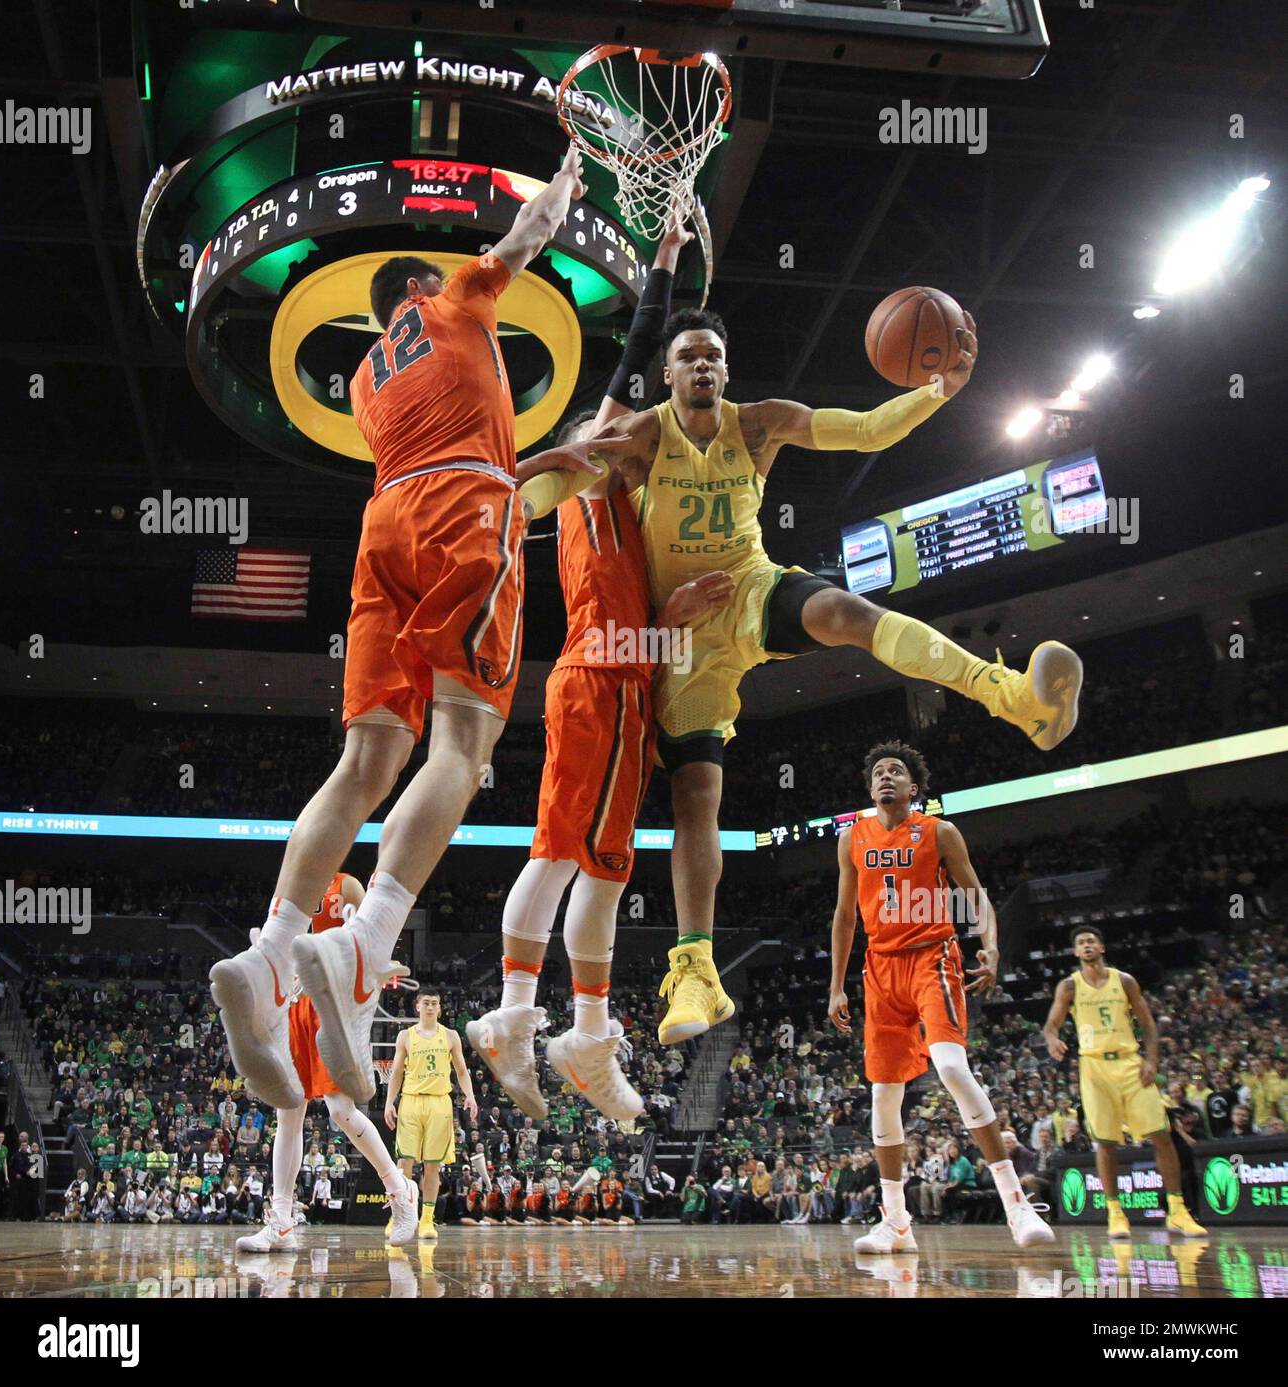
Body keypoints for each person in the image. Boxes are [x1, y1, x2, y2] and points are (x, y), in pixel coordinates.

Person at [207, 142, 613, 1111]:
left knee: (362, 764)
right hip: (463, 515)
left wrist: (545, 454)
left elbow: (446, 435)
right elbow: (527, 235)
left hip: (381, 525)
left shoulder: (360, 378)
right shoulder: (458, 301)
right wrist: (562, 182)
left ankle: (268, 955)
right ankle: (364, 942)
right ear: (425, 286)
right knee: (464, 745)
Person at [578, 304, 1082, 1043]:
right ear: (668, 371)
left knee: (849, 612)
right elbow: (568, 487)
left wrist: (938, 389)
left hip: (749, 586)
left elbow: (867, 430)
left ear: (726, 368)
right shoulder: (646, 435)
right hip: (683, 633)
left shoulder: (762, 422)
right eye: (688, 355)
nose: (702, 365)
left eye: (713, 354)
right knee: (696, 798)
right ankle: (695, 971)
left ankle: (1015, 700)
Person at [467, 219, 730, 1117]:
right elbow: (640, 350)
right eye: (612, 422)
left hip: (620, 675)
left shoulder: (615, 499)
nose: (625, 428)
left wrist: (672, 620)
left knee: (608, 867)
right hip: (597, 678)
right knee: (558, 853)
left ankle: (584, 1033)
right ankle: (510, 1014)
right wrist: (663, 259)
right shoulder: (591, 468)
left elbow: (632, 627)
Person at [829, 741, 1053, 1252]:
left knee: (951, 1067)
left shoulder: (940, 832)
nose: (886, 777)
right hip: (880, 969)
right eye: (878, 772)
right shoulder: (851, 839)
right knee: (883, 1096)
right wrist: (836, 985)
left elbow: (977, 896)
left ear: (914, 788)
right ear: (870, 789)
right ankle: (897, 1222)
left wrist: (991, 948)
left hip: (933, 957)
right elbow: (844, 916)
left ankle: (1018, 1208)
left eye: (896, 772)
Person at [236, 873, 420, 1254]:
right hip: (294, 1002)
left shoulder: (346, 885)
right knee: (288, 1111)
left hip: (332, 1001)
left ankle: (400, 1192)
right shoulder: (290, 883)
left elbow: (364, 940)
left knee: (340, 1110)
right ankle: (281, 1222)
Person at [1043, 925, 1207, 1240]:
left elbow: (1147, 1023)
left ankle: (1177, 1211)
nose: (1087, 945)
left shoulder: (1125, 981)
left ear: (1102, 947)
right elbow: (1050, 1026)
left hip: (1131, 1063)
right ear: (1076, 952)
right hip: (1093, 1067)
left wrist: (1152, 1061)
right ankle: (1115, 1213)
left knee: (1162, 1134)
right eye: (1081, 943)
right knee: (1105, 1143)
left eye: (1092, 940)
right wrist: (1052, 1040)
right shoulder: (1069, 987)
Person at [384, 986, 478, 1242]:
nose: (429, 1006)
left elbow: (461, 1070)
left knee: (432, 1165)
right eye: (425, 1002)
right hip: (412, 1102)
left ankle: (427, 1219)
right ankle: (399, 1216)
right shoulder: (405, 1036)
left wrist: (469, 1095)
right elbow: (396, 1073)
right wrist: (389, 1102)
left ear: (439, 1007)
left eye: (434, 1003)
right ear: (417, 1006)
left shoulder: (450, 1036)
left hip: (439, 1103)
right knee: (404, 1164)